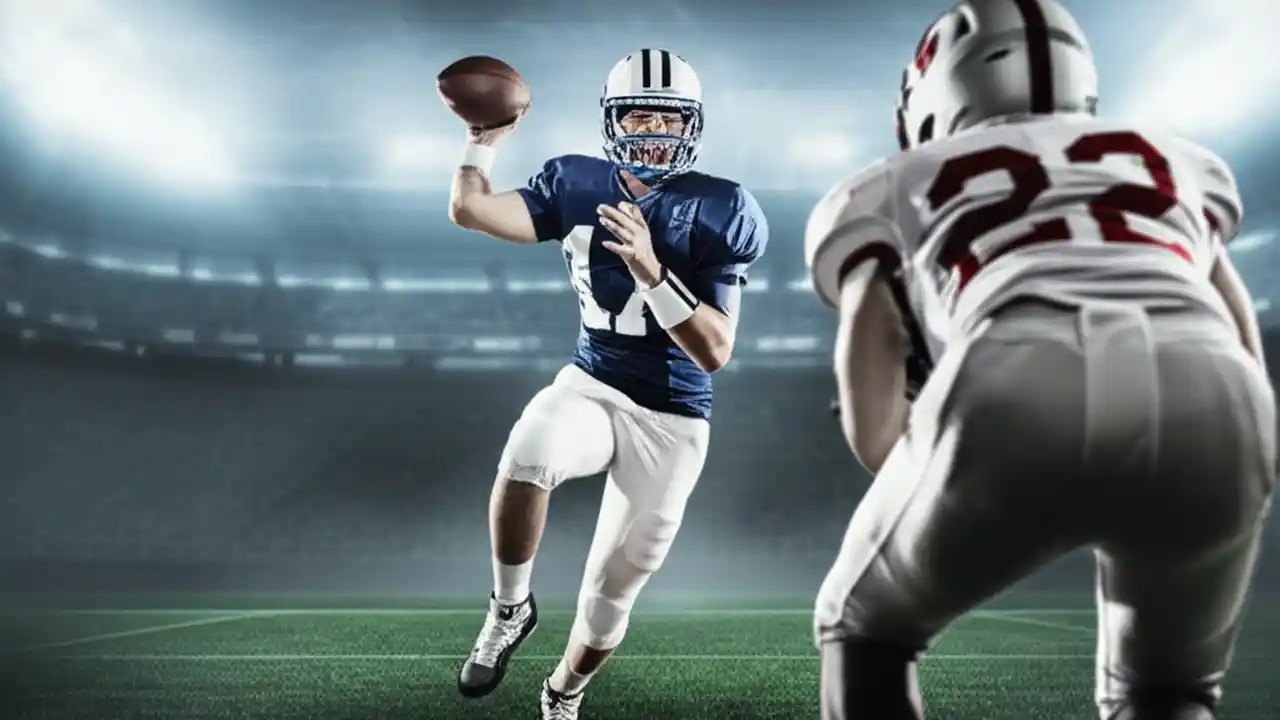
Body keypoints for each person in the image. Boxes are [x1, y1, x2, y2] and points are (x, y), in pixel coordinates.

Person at [803, 1, 1276, 718]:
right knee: (1166, 690)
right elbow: (1239, 337)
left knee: (860, 625)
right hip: (1216, 391)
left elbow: (872, 417)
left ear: (936, 92)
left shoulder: (894, 179)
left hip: (1019, 370)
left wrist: (918, 430)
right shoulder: (1175, 159)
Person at [447, 48, 768, 719]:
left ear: (692, 127)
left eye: (667, 117)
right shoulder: (575, 181)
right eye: (639, 113)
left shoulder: (720, 206)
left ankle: (563, 691)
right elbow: (471, 211)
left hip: (674, 415)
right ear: (611, 120)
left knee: (611, 595)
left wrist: (654, 274)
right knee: (531, 446)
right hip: (593, 382)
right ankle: (510, 608)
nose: (653, 129)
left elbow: (714, 351)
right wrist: (481, 143)